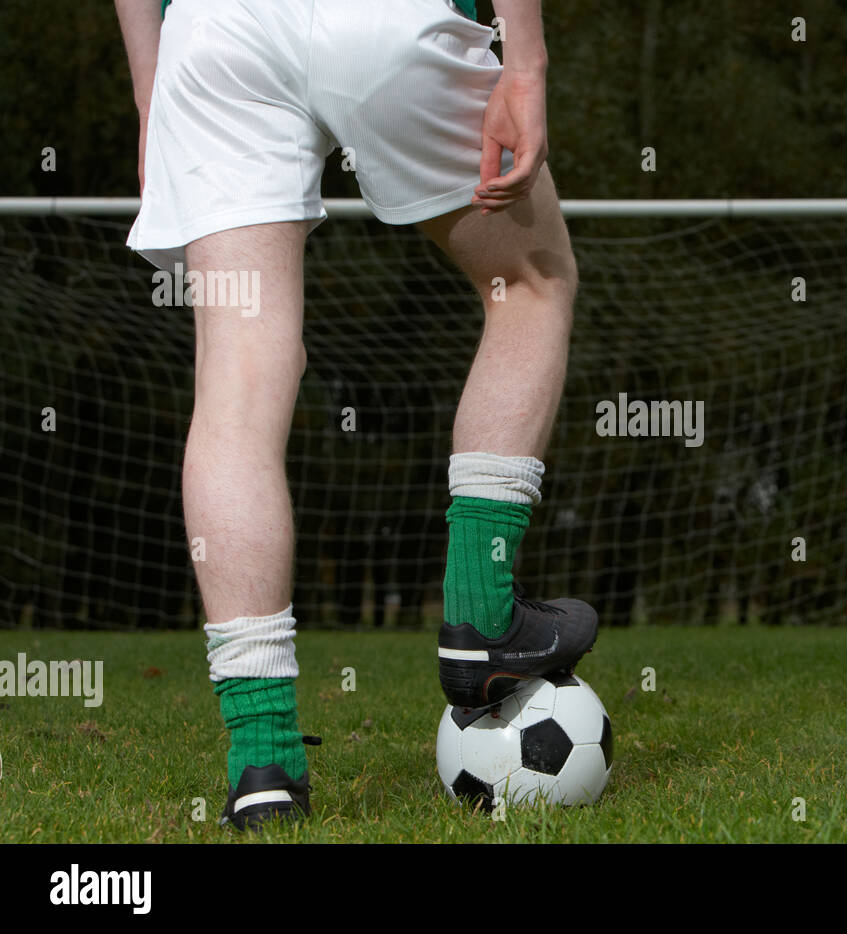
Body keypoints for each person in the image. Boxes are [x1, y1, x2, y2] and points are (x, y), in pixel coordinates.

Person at [113, 0, 597, 830]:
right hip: (382, 18)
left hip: (216, 30)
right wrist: (525, 64)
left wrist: (154, 87)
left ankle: (262, 761)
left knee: (238, 377)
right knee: (529, 285)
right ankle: (481, 618)